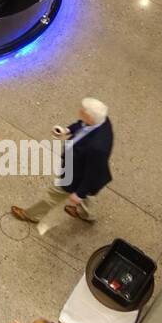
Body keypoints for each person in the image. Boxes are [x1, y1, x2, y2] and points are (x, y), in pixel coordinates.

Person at [11, 97, 113, 233]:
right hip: (80, 170)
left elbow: (92, 173)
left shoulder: (97, 147)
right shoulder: (102, 120)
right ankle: (86, 214)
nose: (79, 112)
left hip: (75, 175)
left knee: (52, 196)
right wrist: (67, 131)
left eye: (83, 111)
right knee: (87, 196)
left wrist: (79, 193)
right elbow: (82, 125)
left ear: (90, 116)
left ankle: (31, 215)